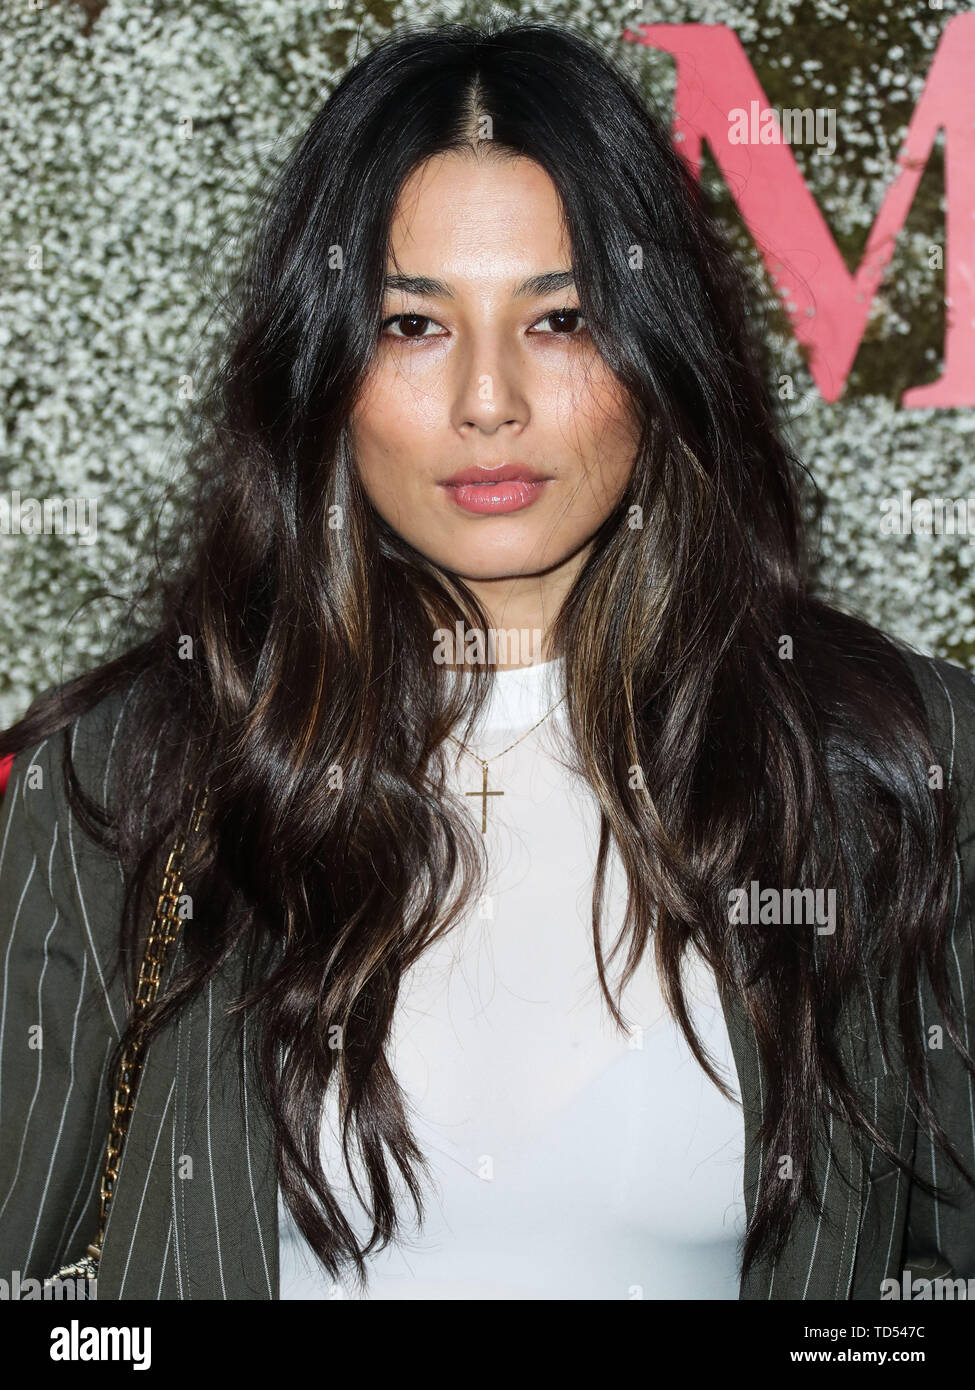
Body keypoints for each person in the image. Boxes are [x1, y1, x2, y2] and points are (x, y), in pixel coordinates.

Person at [1, 18, 973, 1302]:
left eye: (560, 318)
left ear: (658, 348)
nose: (488, 401)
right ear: (322, 367)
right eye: (412, 325)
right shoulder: (131, 776)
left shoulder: (890, 764)